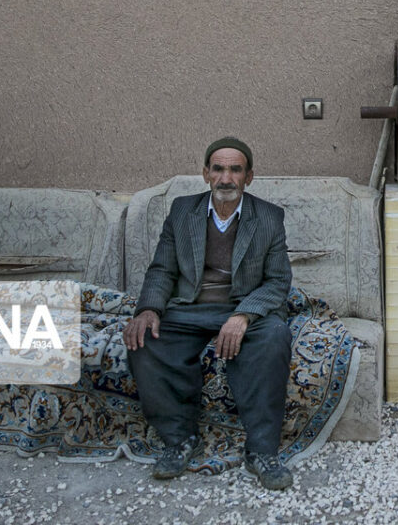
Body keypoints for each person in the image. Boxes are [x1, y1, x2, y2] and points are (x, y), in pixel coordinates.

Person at [123, 137, 294, 490]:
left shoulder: (269, 217)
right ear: (205, 174)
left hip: (240, 307)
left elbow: (278, 282)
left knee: (274, 336)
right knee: (144, 339)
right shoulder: (182, 211)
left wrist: (243, 316)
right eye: (218, 169)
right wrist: (149, 309)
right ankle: (180, 439)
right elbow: (162, 270)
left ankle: (261, 451)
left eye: (235, 170)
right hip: (189, 308)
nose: (226, 178)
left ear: (249, 177)